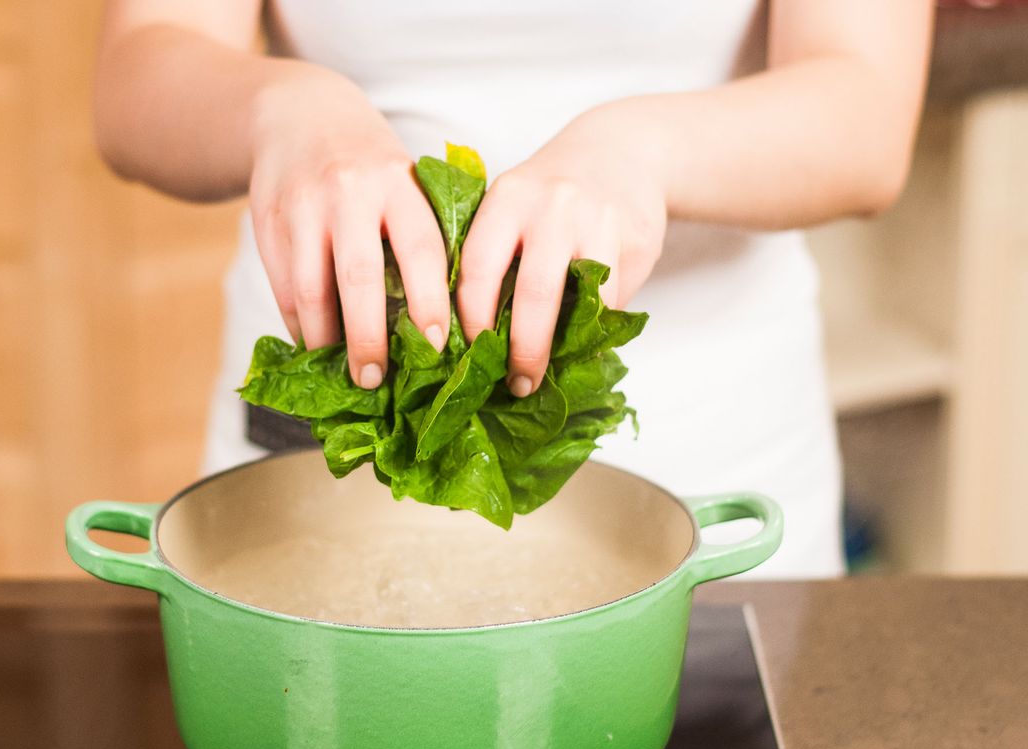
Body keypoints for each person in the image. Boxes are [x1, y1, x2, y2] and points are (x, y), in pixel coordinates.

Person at [93, 1, 933, 577]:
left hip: (713, 474)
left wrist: (643, 151)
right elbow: (140, 69)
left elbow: (864, 105)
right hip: (325, 464)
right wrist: (282, 108)